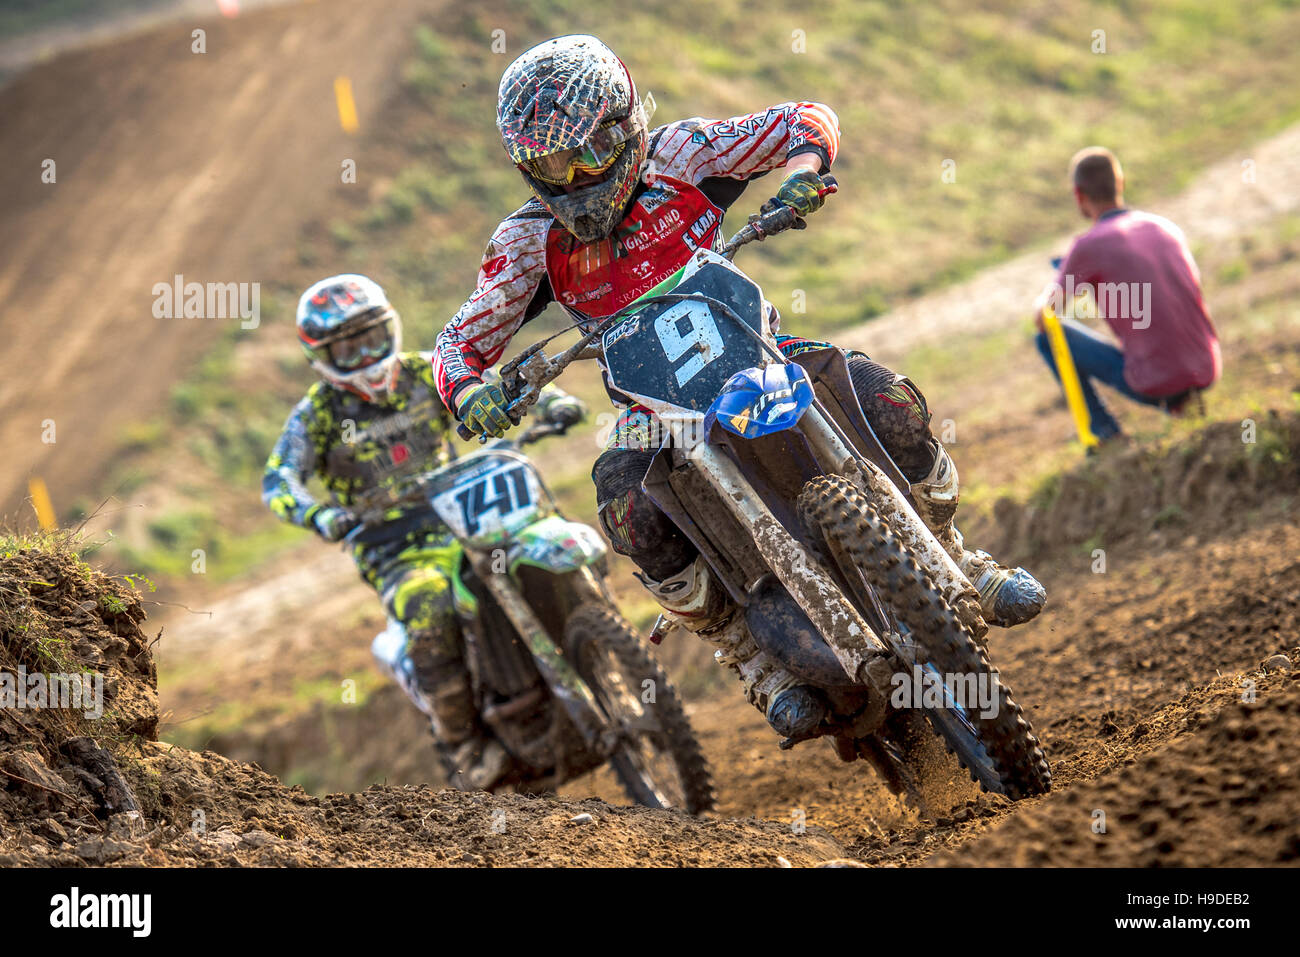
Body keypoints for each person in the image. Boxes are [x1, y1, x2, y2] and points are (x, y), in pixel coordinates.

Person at [432, 35, 1045, 735]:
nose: (573, 178)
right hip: (654, 411)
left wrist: (804, 170)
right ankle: (751, 657)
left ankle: (960, 555)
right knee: (625, 504)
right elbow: (458, 342)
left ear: (622, 124)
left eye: (586, 155)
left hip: (762, 351)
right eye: (549, 165)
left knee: (886, 399)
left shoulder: (683, 154)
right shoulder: (525, 242)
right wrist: (469, 389)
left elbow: (802, 120)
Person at [263, 273, 585, 788]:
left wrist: (550, 400)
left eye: (373, 336)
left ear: (390, 326)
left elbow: (492, 384)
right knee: (429, 608)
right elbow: (278, 481)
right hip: (395, 549)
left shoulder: (422, 371)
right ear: (321, 355)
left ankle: (600, 655)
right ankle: (467, 747)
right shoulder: (318, 414)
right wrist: (323, 516)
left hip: (465, 512)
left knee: (540, 548)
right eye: (349, 347)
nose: (366, 353)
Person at [1034, 146, 1221, 443]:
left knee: (1046, 337)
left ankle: (1105, 435)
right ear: (1120, 184)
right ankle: (1183, 402)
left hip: (1156, 383)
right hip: (1207, 368)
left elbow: (1045, 317)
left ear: (1078, 195)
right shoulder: (1164, 227)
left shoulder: (1087, 246)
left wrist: (1056, 282)